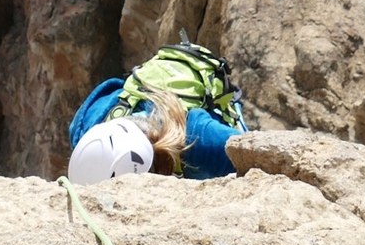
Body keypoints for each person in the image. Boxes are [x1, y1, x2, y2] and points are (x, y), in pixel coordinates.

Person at [67, 43, 247, 182]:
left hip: (198, 119)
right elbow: (112, 88)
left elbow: (253, 155)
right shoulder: (86, 135)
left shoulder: (199, 138)